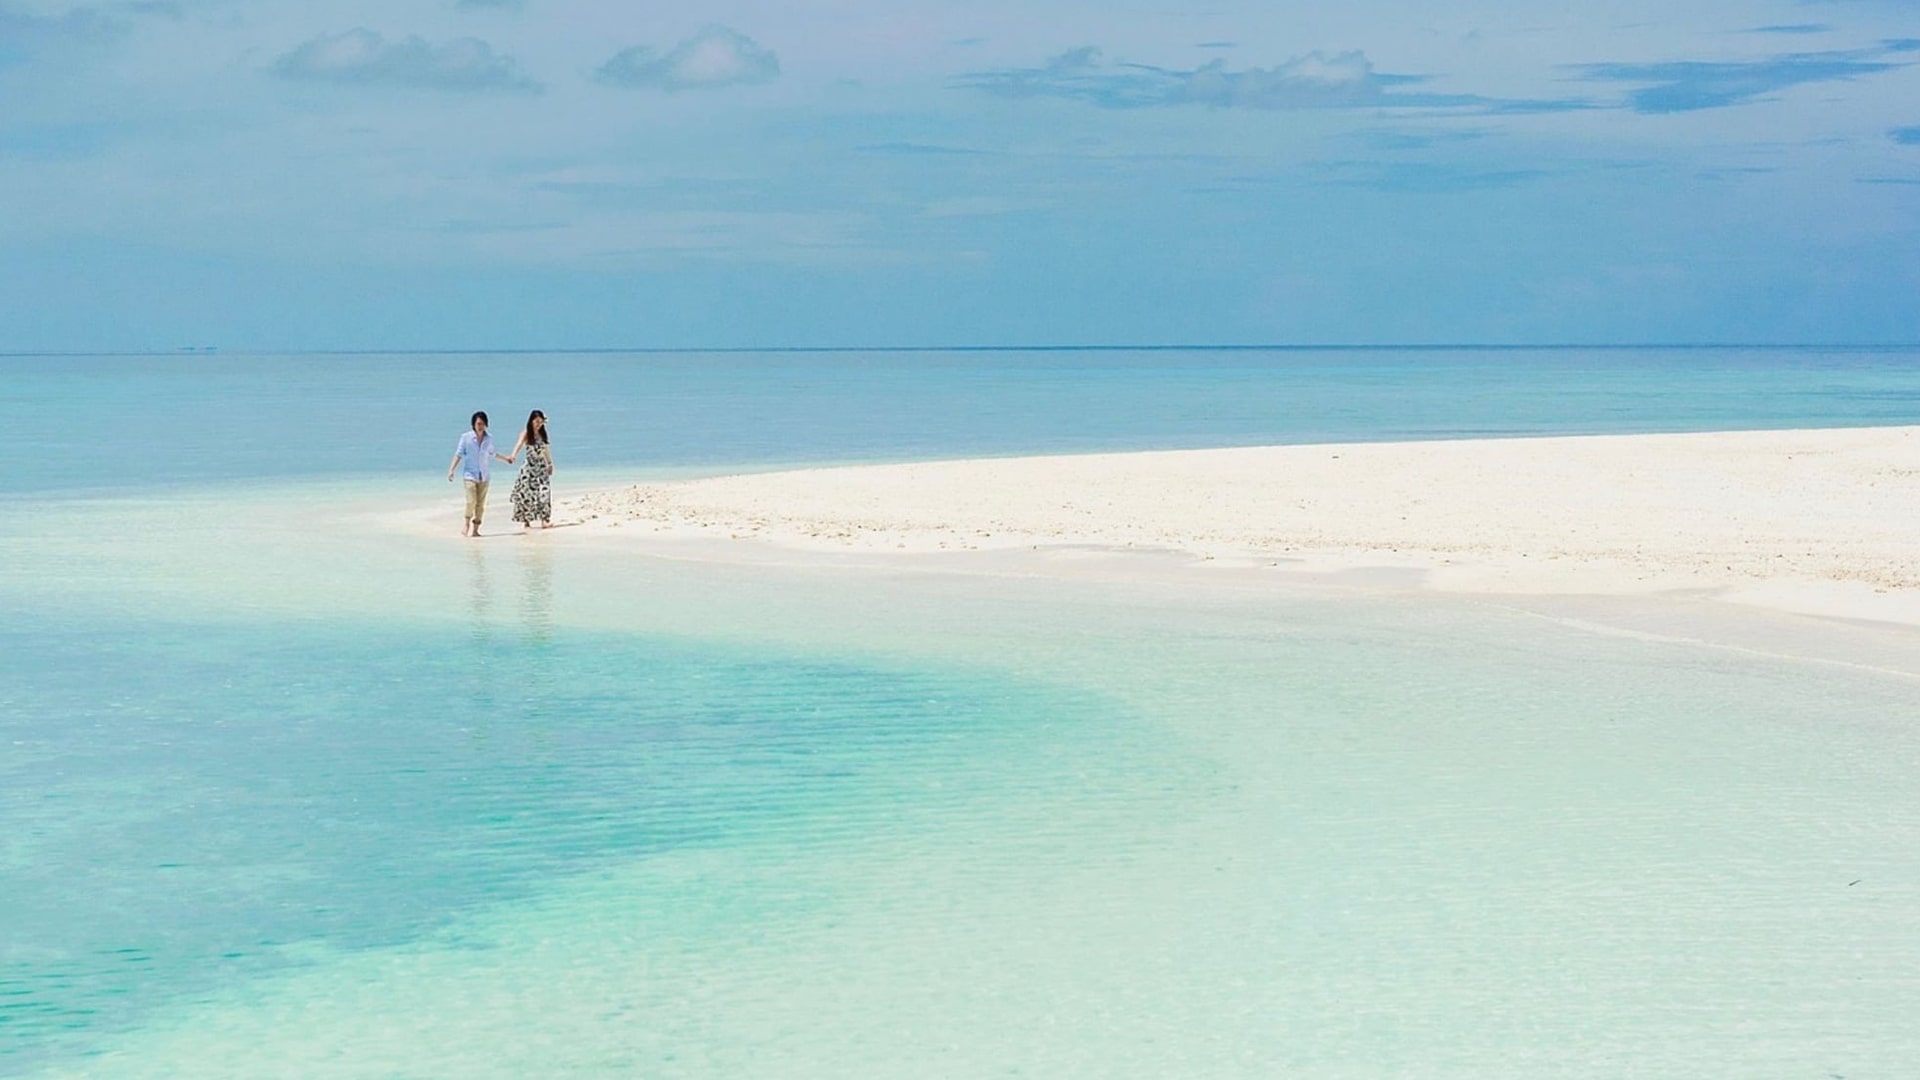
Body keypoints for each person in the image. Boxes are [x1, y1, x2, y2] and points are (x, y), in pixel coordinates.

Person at [446, 411, 511, 537]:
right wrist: (451, 470)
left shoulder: (489, 438)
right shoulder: (466, 438)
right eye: (478, 424)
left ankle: (476, 530)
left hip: (484, 477)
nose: (480, 426)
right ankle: (466, 523)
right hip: (469, 475)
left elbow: (492, 453)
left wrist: (506, 459)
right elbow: (458, 454)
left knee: (480, 505)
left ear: (486, 424)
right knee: (471, 501)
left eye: (482, 424)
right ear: (473, 424)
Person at [508, 409, 554, 530]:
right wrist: (513, 456)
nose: (538, 424)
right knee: (527, 495)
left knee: (544, 493)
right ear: (531, 421)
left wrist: (550, 464)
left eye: (540, 422)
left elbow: (546, 450)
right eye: (536, 422)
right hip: (529, 468)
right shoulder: (526, 434)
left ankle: (545, 520)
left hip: (542, 468)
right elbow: (518, 445)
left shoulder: (543, 434)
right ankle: (527, 522)